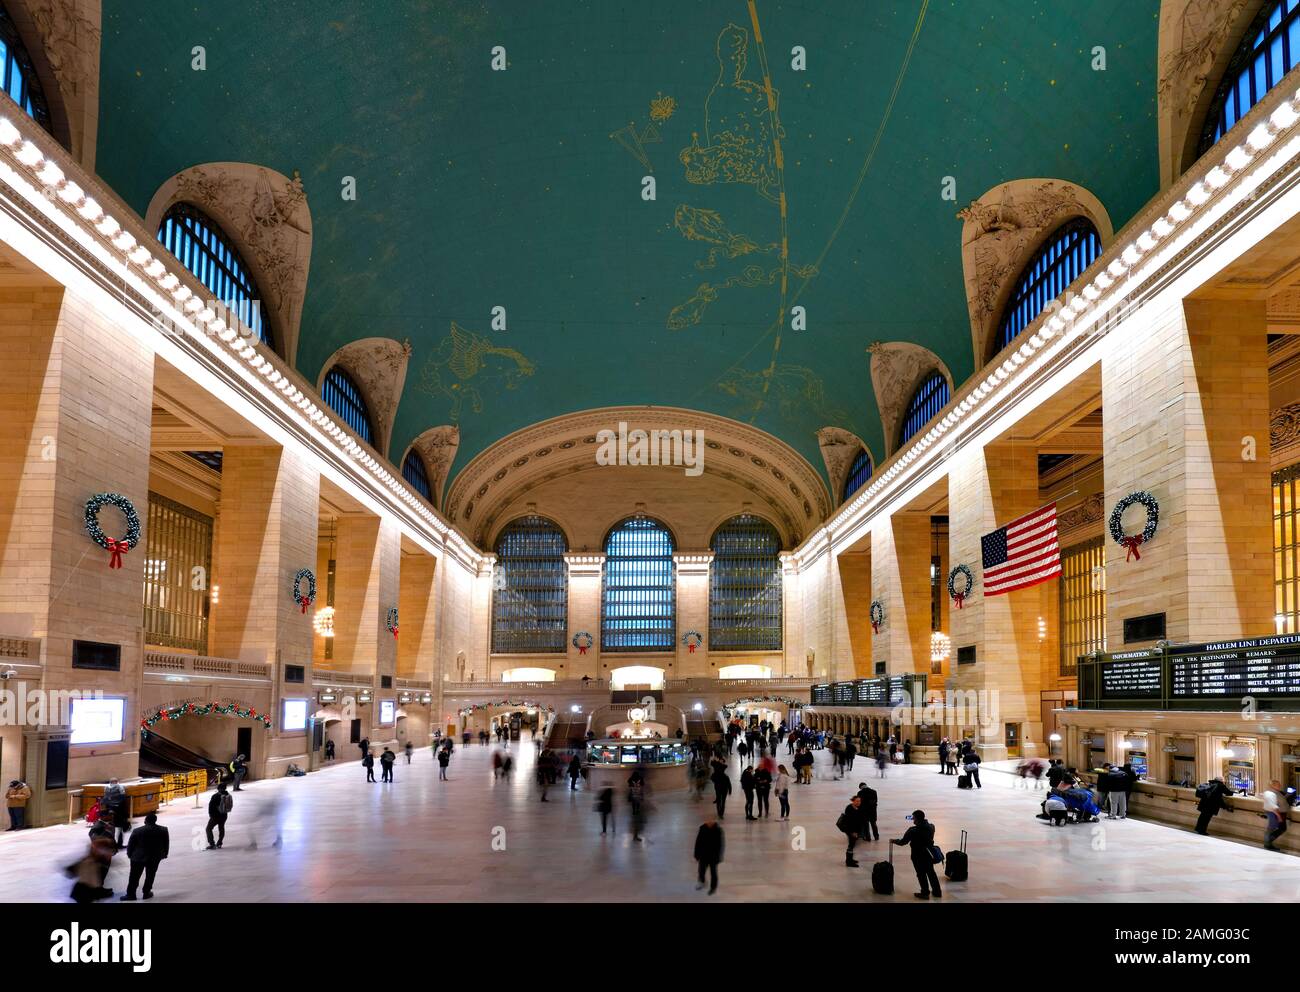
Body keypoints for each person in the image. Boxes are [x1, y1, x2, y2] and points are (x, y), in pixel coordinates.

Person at [891, 809, 942, 900]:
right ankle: (937, 892)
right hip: (928, 854)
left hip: (917, 855)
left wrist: (894, 841)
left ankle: (925, 893)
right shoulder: (931, 827)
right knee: (931, 873)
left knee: (921, 874)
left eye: (913, 818)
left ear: (917, 819)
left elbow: (903, 842)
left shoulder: (913, 830)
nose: (913, 820)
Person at [121, 811, 169, 901]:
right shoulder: (163, 830)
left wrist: (129, 854)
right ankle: (146, 892)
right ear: (155, 820)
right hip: (155, 857)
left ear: (145, 820)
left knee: (134, 876)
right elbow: (166, 843)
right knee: (151, 875)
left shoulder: (137, 831)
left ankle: (131, 894)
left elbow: (131, 844)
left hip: (137, 857)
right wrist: (165, 854)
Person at [694, 819, 724, 894]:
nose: (709, 822)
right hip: (703, 854)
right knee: (701, 870)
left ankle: (713, 887)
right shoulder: (702, 829)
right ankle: (702, 881)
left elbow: (720, 844)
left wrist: (719, 856)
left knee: (713, 872)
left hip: (713, 856)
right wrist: (696, 854)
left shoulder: (718, 830)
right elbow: (698, 842)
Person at [102, 778, 130, 847]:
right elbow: (123, 799)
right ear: (116, 782)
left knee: (112, 828)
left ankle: (112, 843)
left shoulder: (106, 788)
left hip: (110, 811)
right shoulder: (120, 788)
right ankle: (118, 843)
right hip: (119, 811)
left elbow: (105, 800)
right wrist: (126, 814)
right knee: (119, 828)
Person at [839, 795, 865, 867]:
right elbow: (850, 822)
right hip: (851, 830)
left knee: (852, 845)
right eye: (857, 801)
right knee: (851, 845)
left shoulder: (859, 808)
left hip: (856, 830)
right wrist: (853, 832)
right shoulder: (849, 808)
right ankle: (849, 862)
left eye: (859, 801)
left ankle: (850, 859)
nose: (859, 802)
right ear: (853, 801)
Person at [206, 783, 232, 850]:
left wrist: (211, 815)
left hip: (215, 816)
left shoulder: (215, 796)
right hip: (224, 815)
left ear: (218, 788)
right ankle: (219, 843)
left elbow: (211, 806)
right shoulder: (228, 795)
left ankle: (212, 844)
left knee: (208, 829)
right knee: (221, 828)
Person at [1264, 779, 1288, 849]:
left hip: (1278, 813)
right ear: (1273, 785)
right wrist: (1279, 817)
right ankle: (1268, 843)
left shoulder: (1276, 792)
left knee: (1277, 828)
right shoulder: (1271, 794)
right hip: (1275, 814)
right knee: (1273, 829)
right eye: (1278, 784)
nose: (1280, 785)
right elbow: (1273, 807)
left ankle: (1268, 842)